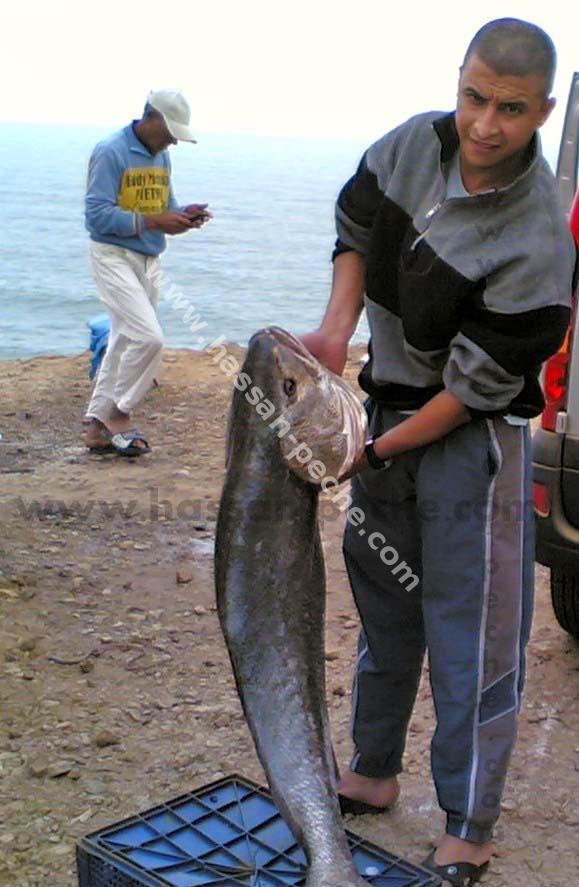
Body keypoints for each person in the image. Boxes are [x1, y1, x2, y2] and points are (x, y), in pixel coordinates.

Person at [302, 18, 576, 887]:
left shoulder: (539, 236)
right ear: (455, 80)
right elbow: (354, 221)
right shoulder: (410, 147)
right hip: (383, 403)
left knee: (473, 633)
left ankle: (468, 822)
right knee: (385, 606)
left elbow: (473, 390)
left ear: (543, 109)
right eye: (473, 97)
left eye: (511, 109)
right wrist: (336, 331)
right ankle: (372, 769)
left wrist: (371, 451)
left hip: (470, 444)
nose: (485, 125)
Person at [83, 89, 211, 456]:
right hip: (112, 255)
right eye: (170, 130)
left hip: (148, 259)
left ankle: (96, 426)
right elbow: (96, 216)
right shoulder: (111, 151)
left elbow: (164, 205)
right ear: (150, 117)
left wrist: (182, 217)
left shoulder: (161, 157)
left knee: (124, 341)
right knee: (149, 337)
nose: (173, 139)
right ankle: (119, 413)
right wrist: (157, 220)